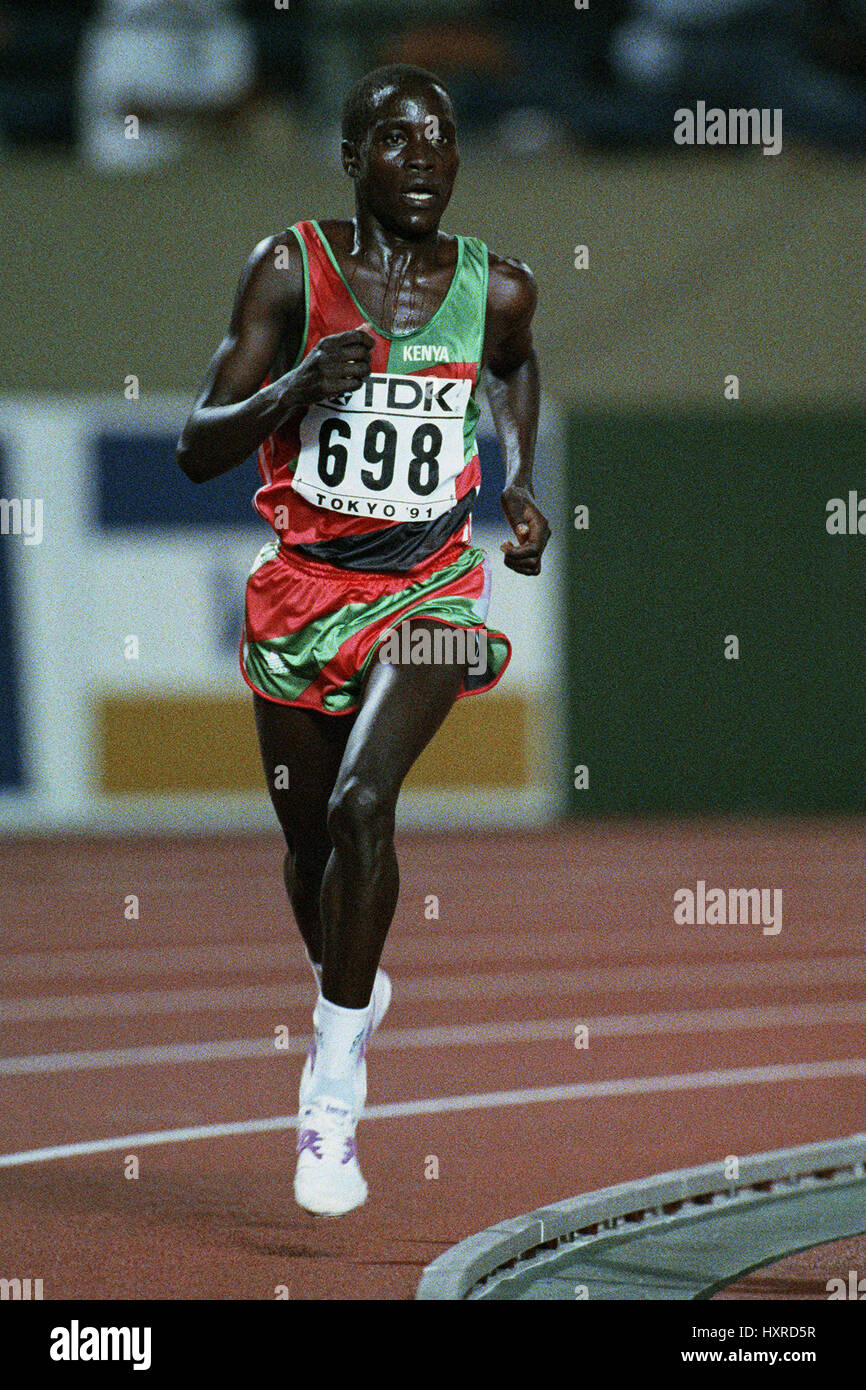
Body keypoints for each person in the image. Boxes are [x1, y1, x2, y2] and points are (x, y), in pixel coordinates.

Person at [176, 64, 551, 1216]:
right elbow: (197, 444)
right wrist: (293, 386)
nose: (427, 157)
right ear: (351, 160)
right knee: (307, 854)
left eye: (442, 138)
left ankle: (331, 1095)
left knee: (357, 807)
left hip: (429, 590)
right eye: (399, 139)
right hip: (299, 593)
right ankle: (351, 985)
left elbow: (511, 368)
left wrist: (521, 479)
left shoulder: (495, 288)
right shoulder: (290, 268)